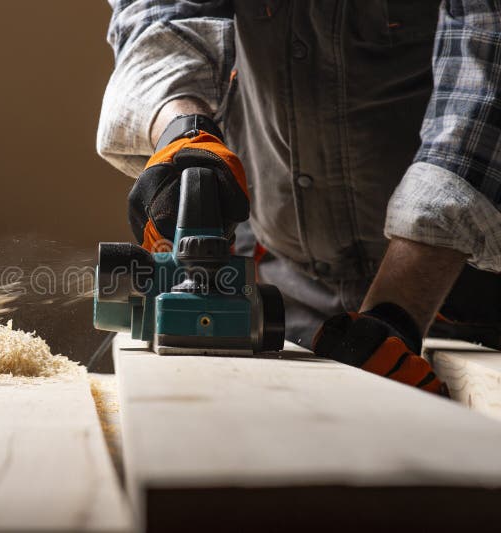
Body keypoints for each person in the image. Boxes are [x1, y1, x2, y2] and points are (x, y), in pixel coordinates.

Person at [96, 0, 501, 395]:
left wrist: (396, 313)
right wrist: (183, 130)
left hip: (454, 290)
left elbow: (484, 78)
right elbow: (161, 11)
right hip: (286, 289)